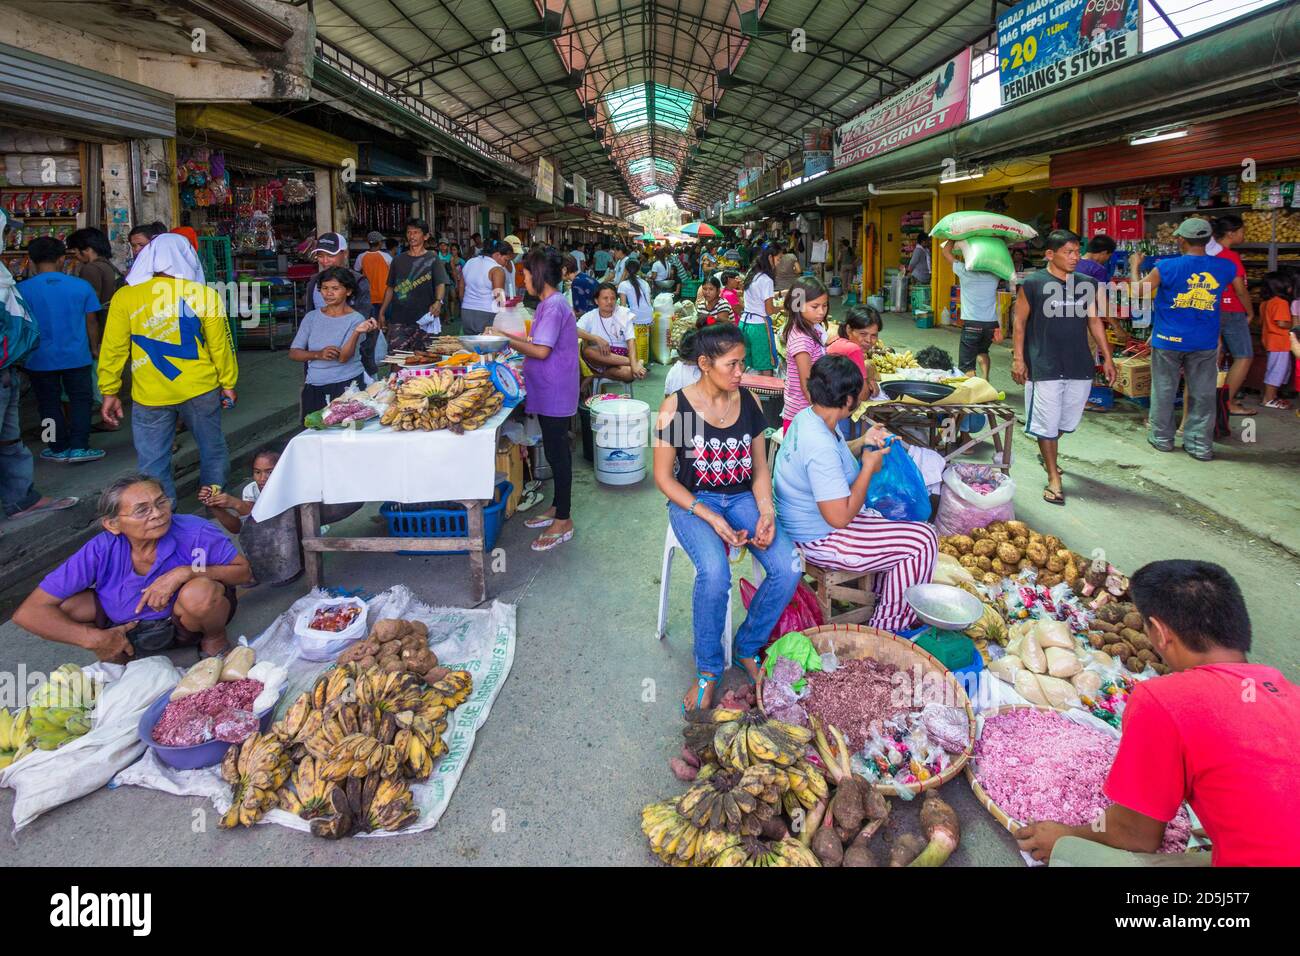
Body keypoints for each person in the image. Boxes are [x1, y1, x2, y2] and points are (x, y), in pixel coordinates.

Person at [1017, 560, 1300, 868]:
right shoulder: (1289, 693)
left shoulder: (1165, 699)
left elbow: (1137, 836)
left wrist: (1066, 835)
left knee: (1070, 856)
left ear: (1161, 633)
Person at [653, 321, 801, 711]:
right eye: (732, 365)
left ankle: (747, 645)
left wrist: (766, 510)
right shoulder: (678, 408)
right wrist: (711, 517)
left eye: (742, 364)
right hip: (693, 500)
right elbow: (664, 479)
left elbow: (759, 468)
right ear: (704, 363)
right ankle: (707, 670)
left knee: (788, 566)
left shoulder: (747, 402)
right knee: (715, 574)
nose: (741, 372)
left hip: (741, 497)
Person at [773, 355, 938, 634]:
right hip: (818, 537)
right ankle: (887, 629)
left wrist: (863, 442)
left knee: (908, 526)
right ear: (848, 400)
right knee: (923, 541)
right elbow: (839, 517)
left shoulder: (812, 417)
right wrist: (868, 469)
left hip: (805, 522)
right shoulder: (819, 445)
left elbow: (835, 455)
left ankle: (886, 600)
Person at [14, 473, 250, 660]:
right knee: (66, 606)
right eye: (142, 510)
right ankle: (115, 646)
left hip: (185, 622)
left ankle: (214, 638)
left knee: (200, 591)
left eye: (161, 502)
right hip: (127, 624)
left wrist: (186, 572)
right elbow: (29, 612)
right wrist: (93, 639)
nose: (158, 514)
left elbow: (244, 571)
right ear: (113, 524)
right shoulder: (101, 549)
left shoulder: (194, 531)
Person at [100, 234, 237, 506]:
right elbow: (220, 344)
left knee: (152, 459)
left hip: (149, 394)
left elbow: (113, 348)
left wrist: (109, 390)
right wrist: (228, 382)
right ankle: (216, 502)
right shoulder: (203, 295)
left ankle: (162, 513)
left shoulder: (125, 296)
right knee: (212, 446)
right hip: (200, 387)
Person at [1012, 229, 1116, 505]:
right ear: (1050, 254)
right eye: (1068, 252)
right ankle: (1054, 479)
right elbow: (1020, 322)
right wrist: (1019, 358)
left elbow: (1094, 322)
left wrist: (1107, 357)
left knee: (1064, 422)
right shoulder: (1033, 283)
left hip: (1078, 363)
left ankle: (1048, 454)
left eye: (1077, 252)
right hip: (1043, 363)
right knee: (1046, 423)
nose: (1075, 257)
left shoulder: (1087, 284)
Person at [487, 247, 578, 552]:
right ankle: (557, 507)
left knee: (558, 452)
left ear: (538, 275)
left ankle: (564, 518)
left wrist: (502, 338)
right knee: (553, 450)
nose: (522, 280)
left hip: (555, 388)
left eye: (525, 275)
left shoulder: (553, 306)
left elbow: (541, 351)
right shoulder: (546, 304)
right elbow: (536, 342)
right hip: (548, 386)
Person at [1138, 218, 1238, 462]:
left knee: (1163, 389)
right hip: (1203, 341)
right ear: (1209, 239)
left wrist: (1135, 266)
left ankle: (1162, 438)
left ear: (1181, 239)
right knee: (1203, 393)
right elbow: (1239, 292)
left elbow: (1137, 291)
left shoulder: (1166, 267)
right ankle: (1199, 445)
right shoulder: (1225, 267)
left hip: (1167, 340)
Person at [0, 220, 78, 521]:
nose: (10, 238)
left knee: (11, 439)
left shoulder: (15, 279)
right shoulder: (75, 285)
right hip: (23, 364)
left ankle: (22, 497)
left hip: (14, 368)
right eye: (7, 231)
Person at [18, 238, 105, 463]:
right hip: (76, 355)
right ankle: (79, 446)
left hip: (38, 358)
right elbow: (91, 322)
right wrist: (94, 348)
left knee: (47, 403)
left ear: (32, 261)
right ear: (61, 259)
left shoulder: (21, 290)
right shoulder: (80, 286)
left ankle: (55, 446)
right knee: (80, 401)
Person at [289, 267, 378, 415]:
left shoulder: (356, 319)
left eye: (335, 288)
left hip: (347, 387)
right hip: (314, 386)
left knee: (346, 434)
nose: (329, 293)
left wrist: (356, 332)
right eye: (324, 288)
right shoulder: (311, 317)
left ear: (348, 291)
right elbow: (294, 353)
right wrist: (317, 354)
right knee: (313, 433)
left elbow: (343, 357)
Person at [306, 233, 374, 376]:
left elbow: (361, 322)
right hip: (321, 360)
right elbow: (309, 324)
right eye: (320, 255)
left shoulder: (359, 282)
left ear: (345, 254)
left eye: (330, 255)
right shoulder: (313, 283)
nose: (325, 261)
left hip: (355, 358)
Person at [379, 218, 448, 353]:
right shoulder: (398, 260)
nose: (412, 236)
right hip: (399, 320)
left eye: (416, 232)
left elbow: (440, 283)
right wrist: (382, 312)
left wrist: (438, 301)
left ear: (426, 236)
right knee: (396, 360)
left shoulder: (433, 258)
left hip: (425, 319)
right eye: (409, 232)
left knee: (426, 359)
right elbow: (390, 288)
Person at [1210, 215, 1256, 416]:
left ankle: (1207, 403)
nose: (1243, 235)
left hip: (1211, 309)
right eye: (1241, 231)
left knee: (1212, 356)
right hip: (1232, 310)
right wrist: (1251, 311)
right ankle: (1225, 403)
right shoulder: (1229, 256)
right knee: (1244, 356)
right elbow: (1240, 290)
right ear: (1231, 233)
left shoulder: (1208, 253)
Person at [939, 239, 1004, 379]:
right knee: (983, 352)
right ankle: (985, 379)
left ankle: (974, 391)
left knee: (967, 364)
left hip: (972, 324)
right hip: (990, 325)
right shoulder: (995, 274)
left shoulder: (964, 271)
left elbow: (946, 252)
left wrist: (953, 237)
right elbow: (1002, 257)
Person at [781, 275, 830, 432]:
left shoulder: (811, 327)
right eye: (815, 307)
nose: (821, 311)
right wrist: (823, 414)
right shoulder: (801, 339)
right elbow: (806, 383)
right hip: (802, 414)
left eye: (825, 305)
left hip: (808, 409)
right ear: (797, 305)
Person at [578, 282, 645, 385]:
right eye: (605, 298)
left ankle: (597, 374)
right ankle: (635, 362)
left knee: (629, 374)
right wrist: (596, 338)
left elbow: (631, 341)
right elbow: (573, 329)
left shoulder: (624, 314)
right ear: (596, 301)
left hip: (620, 356)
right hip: (602, 357)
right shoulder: (590, 316)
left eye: (613, 298)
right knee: (588, 351)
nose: (610, 302)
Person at [827, 305, 882, 401]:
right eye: (863, 334)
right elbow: (862, 396)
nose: (869, 340)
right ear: (849, 329)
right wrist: (870, 387)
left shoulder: (836, 340)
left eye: (874, 335)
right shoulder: (853, 349)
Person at [459, 239, 511, 335]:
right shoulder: (497, 270)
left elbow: (461, 288)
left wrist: (467, 304)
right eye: (506, 260)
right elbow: (499, 298)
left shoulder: (470, 262)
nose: (506, 264)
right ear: (497, 254)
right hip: (487, 313)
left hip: (466, 312)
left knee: (471, 346)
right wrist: (505, 315)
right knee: (487, 347)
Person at [1259, 271, 1295, 409]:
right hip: (1280, 342)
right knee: (1277, 371)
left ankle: (1271, 397)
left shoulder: (1265, 303)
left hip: (1269, 340)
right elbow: (1281, 323)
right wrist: (1294, 324)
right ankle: (1268, 399)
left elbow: (1263, 322)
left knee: (1274, 369)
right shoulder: (1281, 303)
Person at [740, 248, 779, 373]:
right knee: (766, 365)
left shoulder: (752, 274)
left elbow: (756, 297)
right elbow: (769, 310)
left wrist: (779, 294)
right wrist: (785, 307)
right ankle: (765, 393)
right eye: (778, 259)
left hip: (744, 324)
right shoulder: (767, 280)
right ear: (770, 258)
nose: (779, 263)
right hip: (759, 327)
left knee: (742, 362)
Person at [354, 231, 391, 319]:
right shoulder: (386, 257)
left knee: (372, 322)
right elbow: (394, 272)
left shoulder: (361, 257)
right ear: (380, 243)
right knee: (385, 321)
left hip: (368, 295)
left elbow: (356, 271)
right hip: (384, 295)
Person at [618, 257, 653, 328]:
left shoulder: (623, 284)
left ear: (626, 269)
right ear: (638, 270)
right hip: (649, 319)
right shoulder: (645, 283)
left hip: (636, 321)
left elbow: (623, 307)